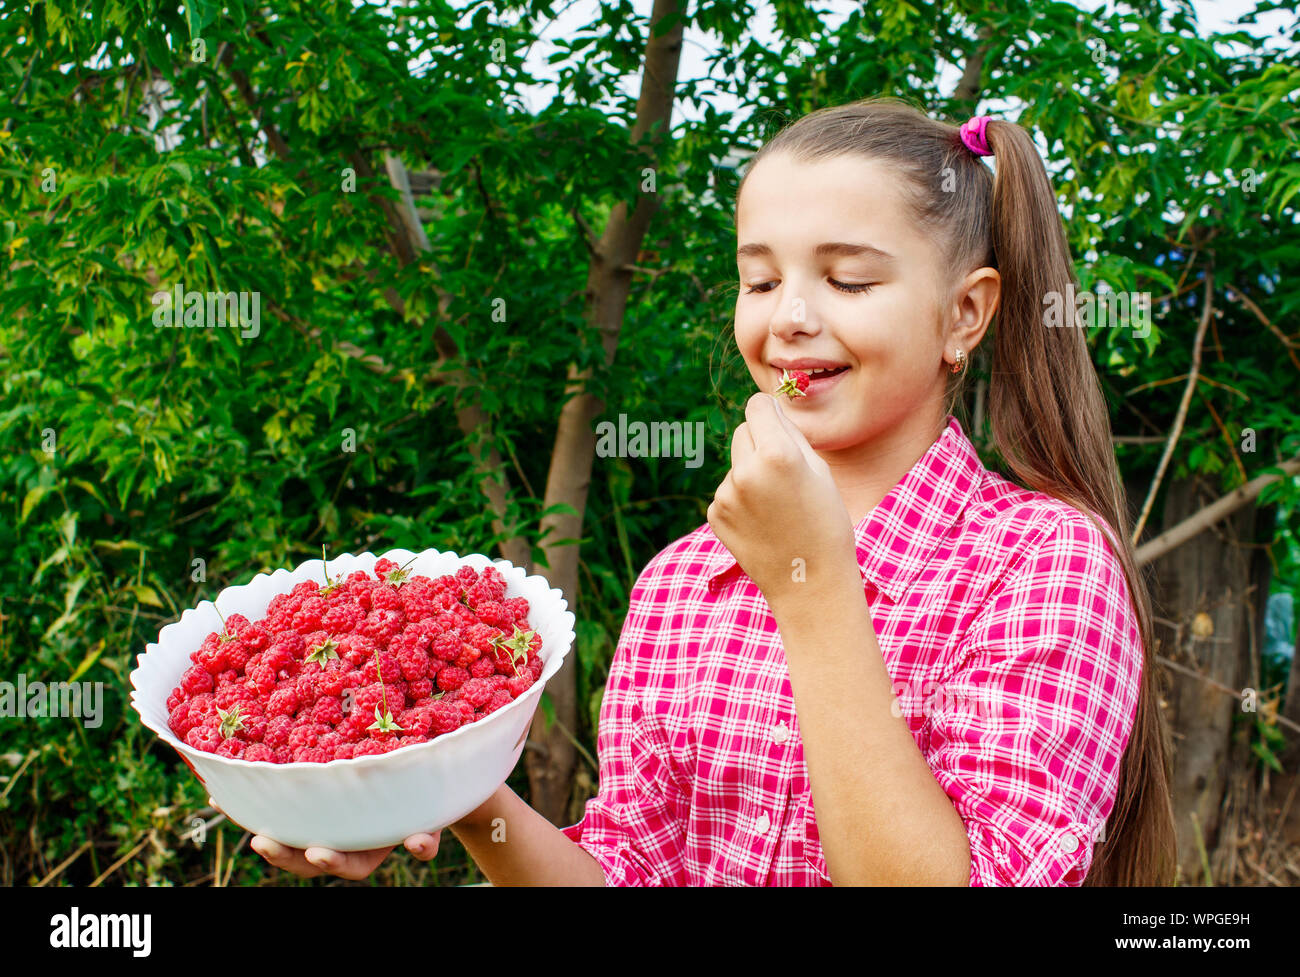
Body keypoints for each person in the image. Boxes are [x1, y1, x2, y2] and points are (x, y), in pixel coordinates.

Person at [248, 96, 1177, 885]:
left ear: (964, 313)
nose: (791, 317)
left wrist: (810, 586)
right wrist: (442, 776)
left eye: (848, 280)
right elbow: (626, 870)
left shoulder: (1043, 564)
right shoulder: (680, 584)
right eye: (760, 278)